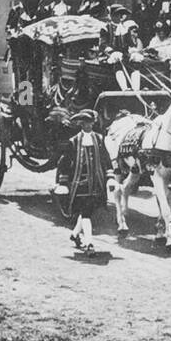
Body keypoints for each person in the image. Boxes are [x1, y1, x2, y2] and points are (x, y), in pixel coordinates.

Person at [65, 109, 109, 254]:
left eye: (90, 123)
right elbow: (65, 163)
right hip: (79, 183)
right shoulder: (74, 142)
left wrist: (110, 177)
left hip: (96, 183)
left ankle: (75, 234)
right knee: (86, 213)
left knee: (87, 211)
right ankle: (89, 243)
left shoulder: (99, 139)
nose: (88, 126)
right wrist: (63, 182)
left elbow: (105, 159)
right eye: (85, 123)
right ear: (81, 124)